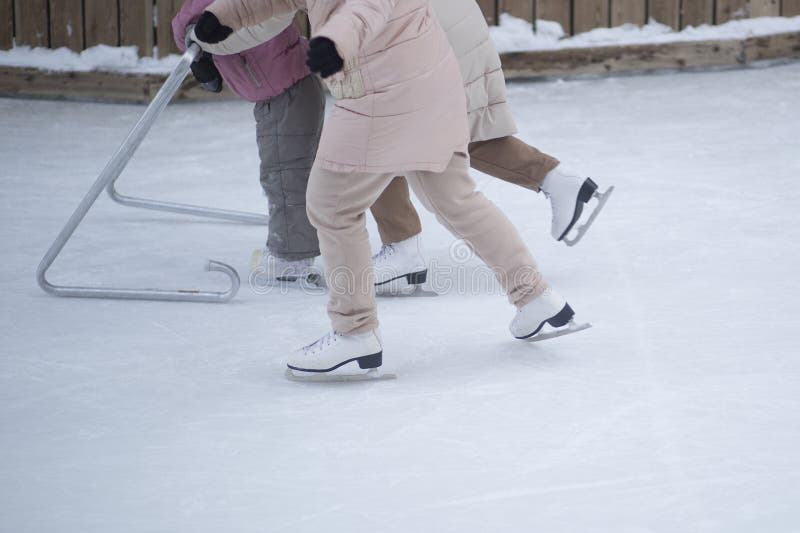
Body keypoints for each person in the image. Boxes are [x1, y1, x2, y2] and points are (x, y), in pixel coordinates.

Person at [194, 0, 589, 379]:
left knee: (332, 207)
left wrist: (335, 42)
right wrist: (222, 15)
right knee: (457, 200)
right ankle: (537, 298)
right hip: (430, 84)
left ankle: (355, 334)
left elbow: (367, 8)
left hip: (382, 93)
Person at [368, 0, 613, 294]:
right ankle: (558, 181)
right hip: (446, 21)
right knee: (435, 130)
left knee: (380, 129)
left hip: (423, 31)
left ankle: (403, 248)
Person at [173, 1, 325, 284]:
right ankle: (300, 245)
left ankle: (291, 258)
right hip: (285, 89)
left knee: (284, 176)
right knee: (290, 172)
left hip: (286, 92)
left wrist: (195, 43)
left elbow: (187, 22)